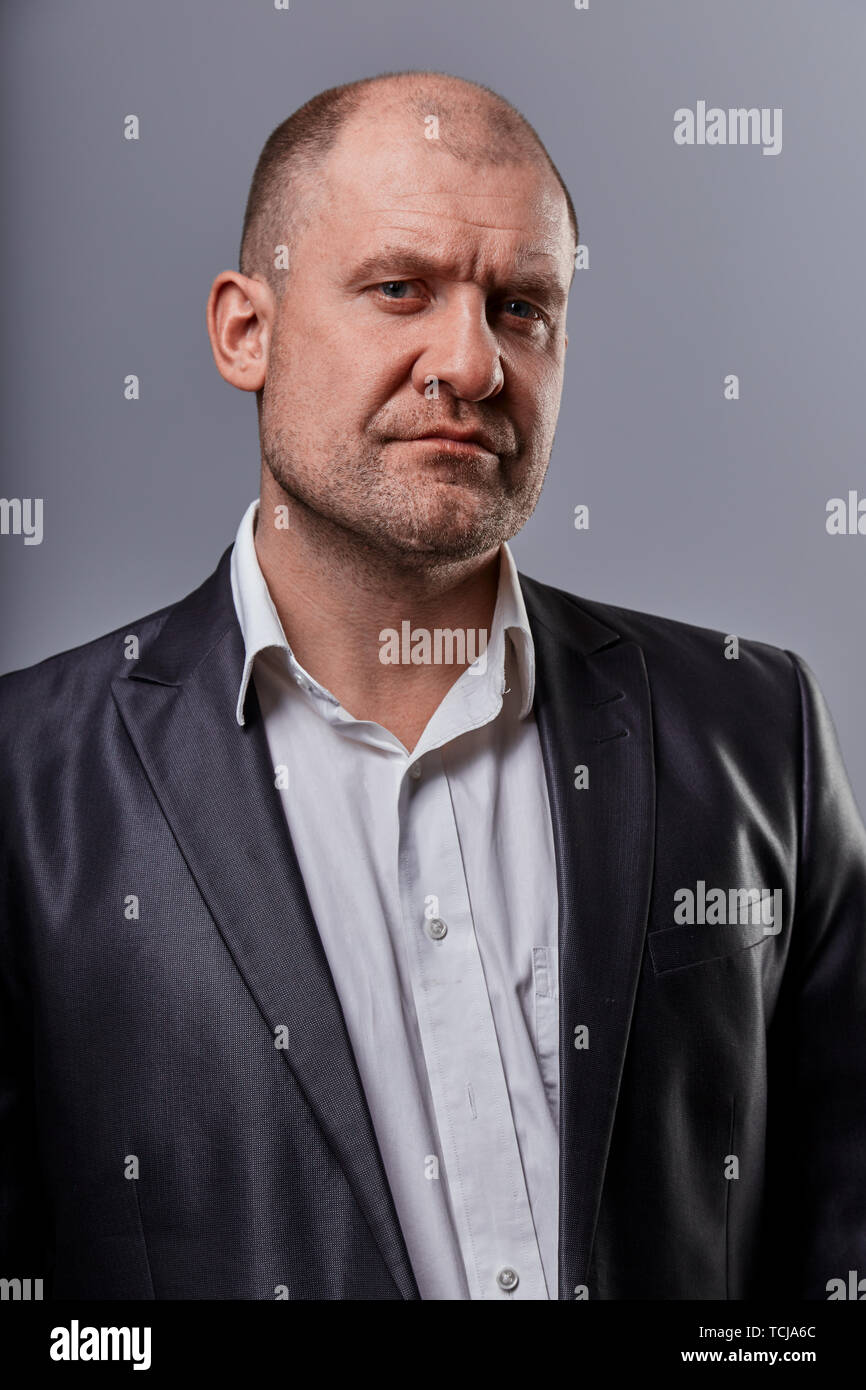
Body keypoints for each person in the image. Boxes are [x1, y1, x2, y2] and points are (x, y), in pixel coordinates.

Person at [1, 69, 864, 1301]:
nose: (467, 363)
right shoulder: (29, 785)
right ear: (246, 329)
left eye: (521, 308)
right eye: (398, 288)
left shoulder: (751, 731)